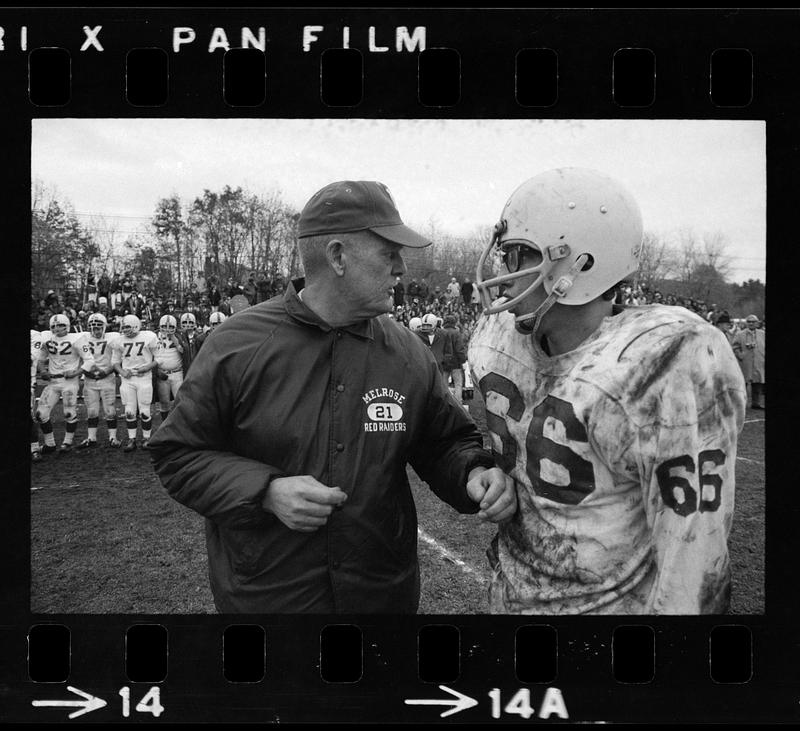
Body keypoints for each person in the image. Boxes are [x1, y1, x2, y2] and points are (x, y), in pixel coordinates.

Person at [150, 179, 516, 614]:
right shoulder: (236, 345)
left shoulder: (407, 352)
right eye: (389, 253)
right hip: (271, 600)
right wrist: (265, 491)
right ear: (338, 256)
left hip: (381, 598)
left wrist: (472, 472)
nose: (401, 269)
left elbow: (444, 441)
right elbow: (178, 453)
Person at [469, 167, 746, 614]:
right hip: (512, 595)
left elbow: (692, 554)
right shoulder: (495, 337)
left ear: (580, 264)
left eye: (520, 254)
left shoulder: (662, 358)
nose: (504, 270)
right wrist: (499, 473)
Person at [35, 313, 96, 455]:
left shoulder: (77, 338)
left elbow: (89, 360)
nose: (57, 328)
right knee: (40, 414)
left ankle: (67, 442)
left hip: (69, 381)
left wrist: (76, 373)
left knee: (69, 413)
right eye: (54, 326)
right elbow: (40, 359)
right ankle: (49, 444)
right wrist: (43, 371)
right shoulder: (47, 338)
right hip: (52, 382)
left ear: (67, 325)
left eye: (60, 325)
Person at [111, 314, 158, 452]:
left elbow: (159, 358)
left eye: (127, 326)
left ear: (136, 325)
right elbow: (114, 362)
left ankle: (146, 438)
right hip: (127, 378)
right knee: (130, 411)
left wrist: (147, 367)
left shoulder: (148, 337)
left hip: (144, 377)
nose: (125, 329)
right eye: (123, 327)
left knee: (144, 411)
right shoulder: (119, 341)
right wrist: (121, 372)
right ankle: (132, 439)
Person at [78, 313, 122, 449]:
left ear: (104, 327)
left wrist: (106, 371)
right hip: (90, 379)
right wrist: (87, 372)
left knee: (110, 410)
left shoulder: (113, 338)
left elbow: (117, 358)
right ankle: (91, 438)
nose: (96, 331)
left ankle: (113, 438)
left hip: (107, 378)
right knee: (92, 411)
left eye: (98, 328)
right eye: (93, 328)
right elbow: (80, 358)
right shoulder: (83, 338)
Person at [153, 314, 186, 427]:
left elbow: (183, 351)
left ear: (175, 327)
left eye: (170, 326)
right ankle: (165, 426)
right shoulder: (154, 337)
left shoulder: (179, 336)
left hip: (177, 373)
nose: (167, 329)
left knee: (179, 400)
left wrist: (175, 340)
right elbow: (150, 355)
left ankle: (180, 425)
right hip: (162, 374)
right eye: (164, 326)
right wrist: (156, 371)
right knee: (164, 402)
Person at [732, 314, 765, 409]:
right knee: (743, 384)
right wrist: (740, 355)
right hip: (745, 362)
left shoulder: (762, 334)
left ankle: (756, 403)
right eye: (749, 322)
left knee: (757, 384)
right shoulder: (740, 334)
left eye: (753, 322)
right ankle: (740, 404)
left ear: (757, 323)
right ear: (746, 323)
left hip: (759, 362)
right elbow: (735, 347)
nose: (751, 323)